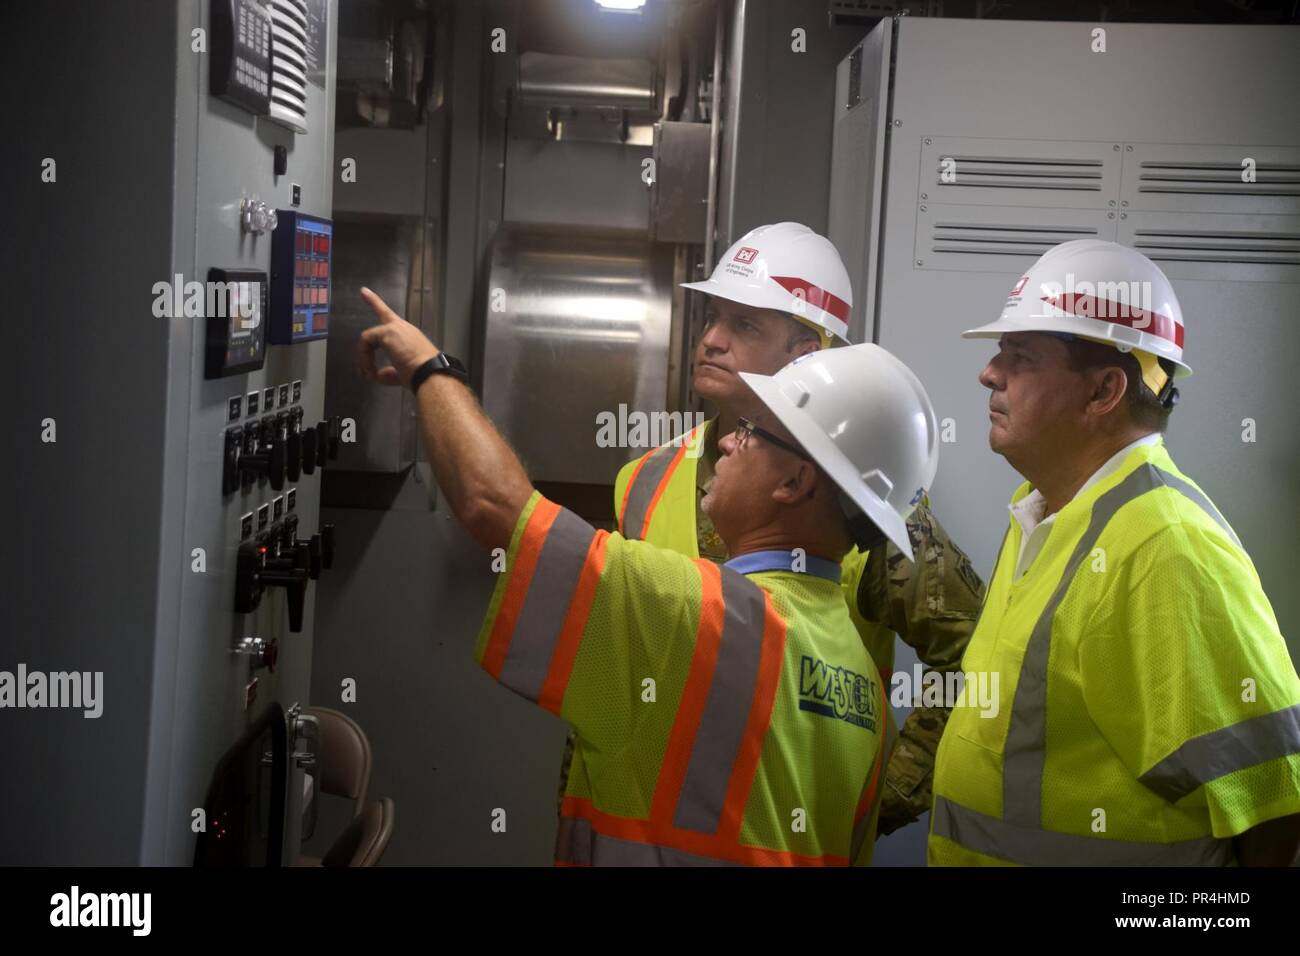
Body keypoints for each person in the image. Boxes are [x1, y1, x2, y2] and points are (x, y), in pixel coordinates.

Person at [356, 284, 939, 865]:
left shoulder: (703, 614)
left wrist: (430, 369)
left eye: (753, 430)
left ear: (794, 485)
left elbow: (494, 506)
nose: (729, 441)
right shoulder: (864, 689)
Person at [566, 222, 984, 835]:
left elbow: (970, 651)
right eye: (713, 318)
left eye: (745, 326)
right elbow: (609, 664)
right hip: (653, 829)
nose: (710, 340)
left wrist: (886, 796)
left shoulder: (858, 500)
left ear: (807, 352)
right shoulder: (644, 479)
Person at [929, 239, 1300, 866]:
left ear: (1103, 391)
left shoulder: (1166, 547)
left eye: (1019, 356)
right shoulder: (1042, 510)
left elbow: (1277, 812)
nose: (989, 373)